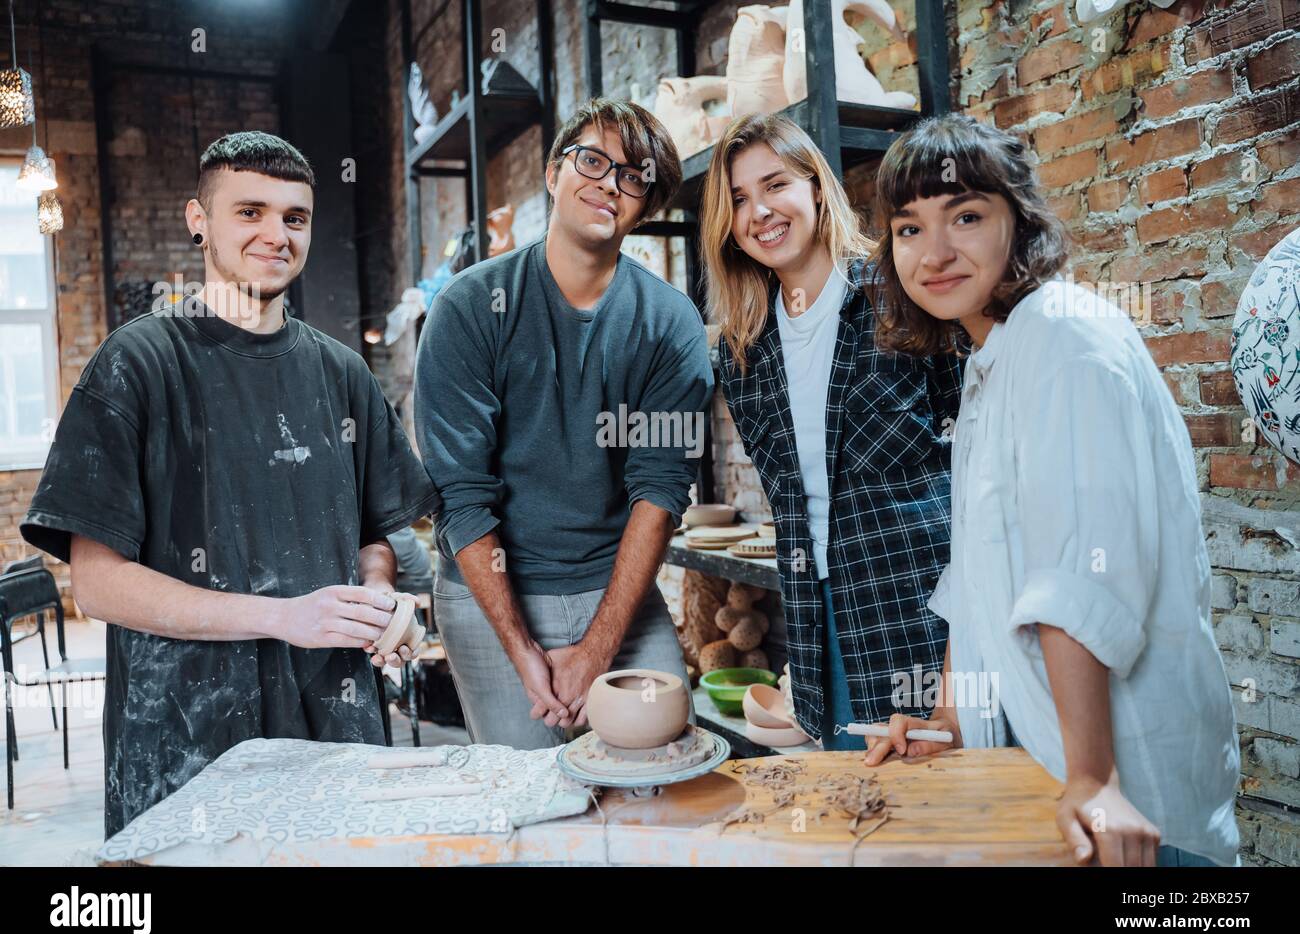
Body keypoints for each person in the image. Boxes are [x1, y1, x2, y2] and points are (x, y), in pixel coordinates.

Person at [20, 131, 440, 837]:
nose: (276, 234)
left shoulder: (342, 374)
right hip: (187, 734)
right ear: (198, 220)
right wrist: (281, 616)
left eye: (294, 218)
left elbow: (377, 532)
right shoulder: (138, 365)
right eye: (250, 211)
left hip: (334, 714)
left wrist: (374, 591)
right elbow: (97, 586)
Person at [862, 113, 1240, 868]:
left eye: (965, 217)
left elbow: (1080, 576)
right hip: (1042, 778)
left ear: (1020, 222)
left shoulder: (1064, 338)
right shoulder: (993, 359)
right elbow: (978, 588)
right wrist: (945, 719)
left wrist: (1093, 777)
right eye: (909, 228)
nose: (934, 252)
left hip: (1126, 806)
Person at [415, 99, 712, 748]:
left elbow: (659, 489)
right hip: (490, 596)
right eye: (593, 160)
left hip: (617, 592)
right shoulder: (469, 309)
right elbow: (461, 496)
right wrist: (521, 649)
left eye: (633, 177)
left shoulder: (671, 323)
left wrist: (599, 645)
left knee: (661, 778)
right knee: (530, 808)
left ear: (645, 206)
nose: (609, 183)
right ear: (553, 173)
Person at [700, 113, 961, 750]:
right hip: (818, 613)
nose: (760, 211)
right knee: (854, 804)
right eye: (739, 200)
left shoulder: (901, 295)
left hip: (930, 606)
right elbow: (792, 499)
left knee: (939, 811)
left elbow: (974, 457)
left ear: (817, 187)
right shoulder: (744, 351)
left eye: (775, 185)